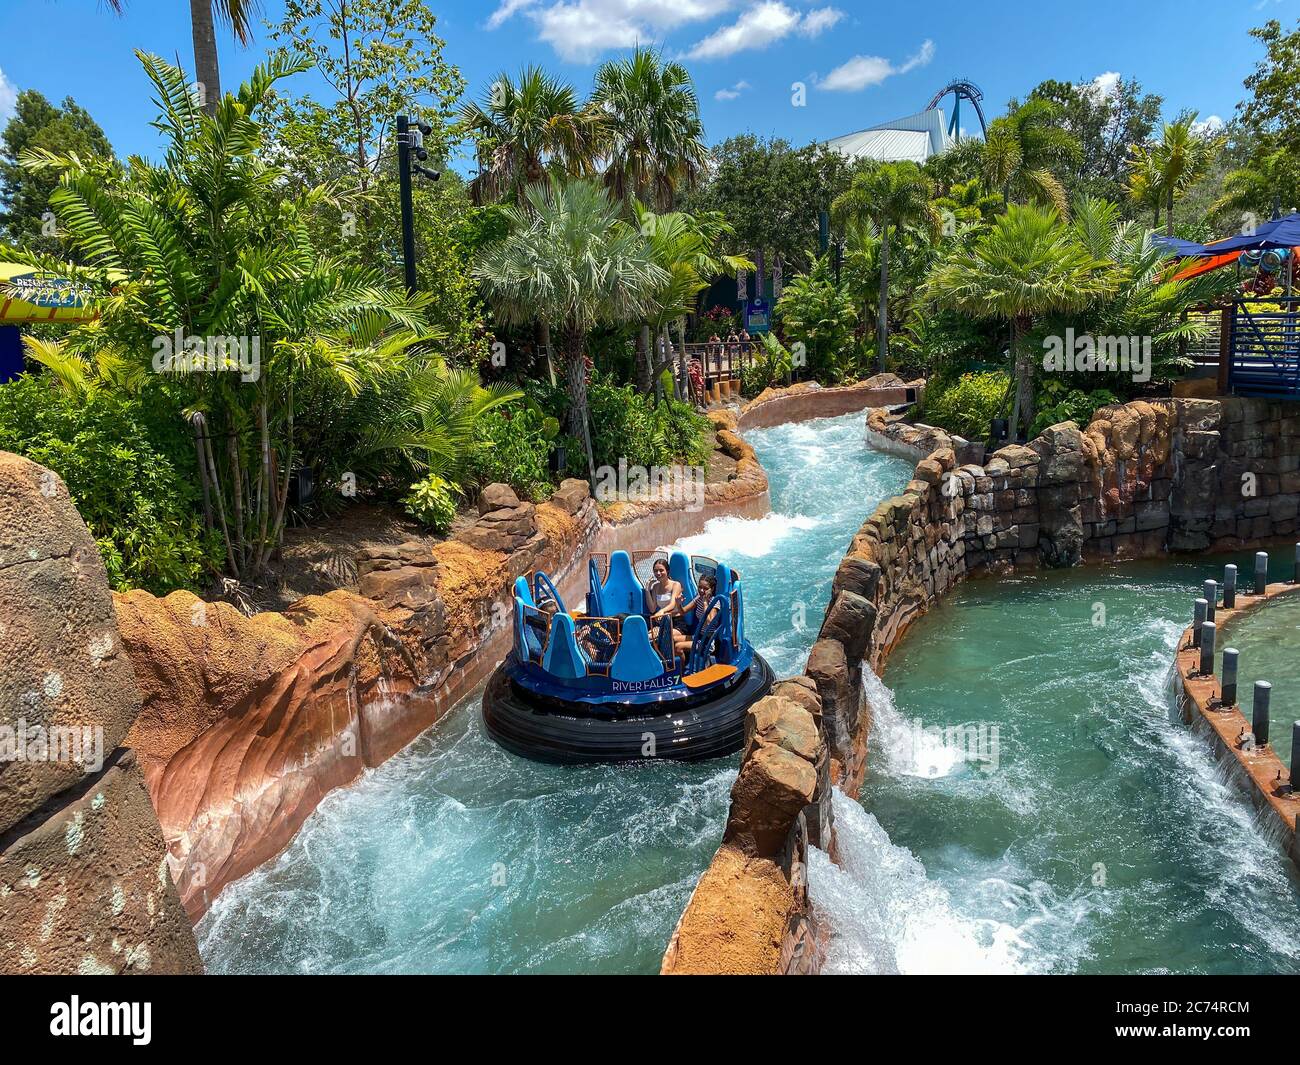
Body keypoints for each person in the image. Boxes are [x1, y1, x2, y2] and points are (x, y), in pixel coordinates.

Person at [674, 573, 719, 656]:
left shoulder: (715, 602)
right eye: (700, 587)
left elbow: (709, 622)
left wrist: (705, 603)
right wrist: (678, 603)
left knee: (678, 646)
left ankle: (681, 668)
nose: (701, 590)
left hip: (707, 641)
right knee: (673, 639)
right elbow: (683, 611)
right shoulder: (699, 598)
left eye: (705, 588)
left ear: (712, 589)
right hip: (698, 636)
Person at [645, 558, 683, 642]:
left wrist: (661, 611)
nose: (658, 573)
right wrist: (647, 589)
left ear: (667, 571)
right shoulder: (655, 587)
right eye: (655, 571)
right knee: (646, 636)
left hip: (675, 623)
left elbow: (672, 604)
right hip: (661, 622)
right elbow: (652, 609)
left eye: (661, 570)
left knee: (653, 637)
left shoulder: (676, 585)